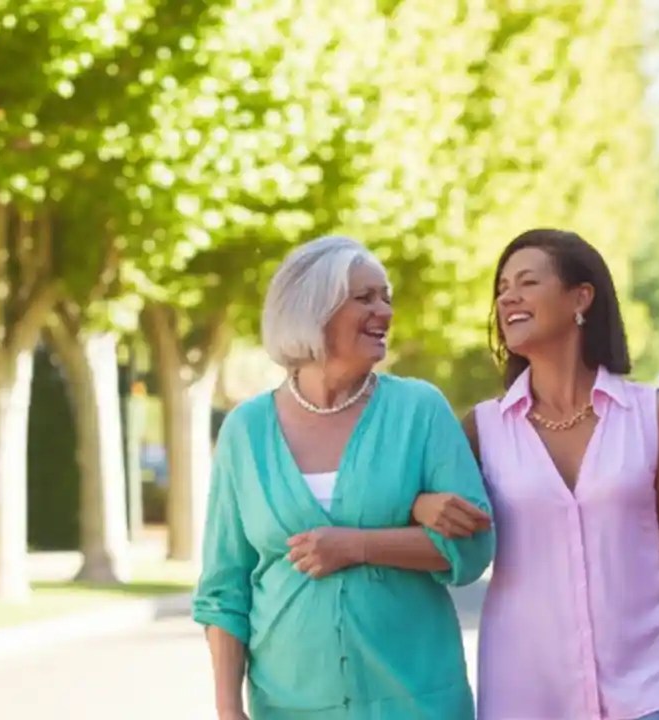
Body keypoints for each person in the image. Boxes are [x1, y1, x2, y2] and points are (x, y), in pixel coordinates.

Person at [413, 229, 659, 720]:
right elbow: (407, 498)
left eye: (527, 282)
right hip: (526, 691)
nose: (508, 297)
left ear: (580, 298)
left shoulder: (656, 415)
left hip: (653, 685)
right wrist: (421, 505)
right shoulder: (482, 428)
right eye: (502, 288)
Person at [193, 235, 495, 720]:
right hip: (287, 706)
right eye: (365, 297)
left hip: (417, 703)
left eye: (386, 298)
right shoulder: (246, 431)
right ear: (314, 308)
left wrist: (356, 545)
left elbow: (473, 548)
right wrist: (229, 710)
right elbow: (225, 586)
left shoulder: (419, 411)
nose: (384, 311)